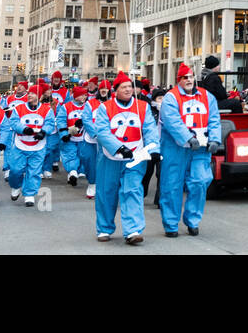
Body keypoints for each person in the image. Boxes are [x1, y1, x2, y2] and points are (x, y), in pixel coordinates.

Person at [92, 71, 159, 244]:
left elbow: (150, 130)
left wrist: (153, 149)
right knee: (106, 193)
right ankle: (104, 228)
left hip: (135, 158)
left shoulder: (142, 107)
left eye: (130, 86)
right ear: (116, 90)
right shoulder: (105, 107)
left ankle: (133, 230)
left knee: (133, 191)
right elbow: (102, 132)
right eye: (124, 87)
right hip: (110, 158)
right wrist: (119, 148)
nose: (128, 90)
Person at [158, 62, 223, 237]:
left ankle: (193, 220)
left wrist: (215, 139)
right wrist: (187, 138)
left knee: (200, 182)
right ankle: (171, 224)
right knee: (172, 186)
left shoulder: (206, 96)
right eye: (185, 77)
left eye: (191, 77)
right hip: (175, 150)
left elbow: (214, 118)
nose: (188, 80)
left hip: (200, 150)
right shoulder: (171, 98)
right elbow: (172, 121)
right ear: (178, 80)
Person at [3, 80, 53, 205]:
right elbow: (13, 122)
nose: (29, 95)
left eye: (32, 93)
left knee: (34, 171)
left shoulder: (47, 109)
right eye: (29, 93)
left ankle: (29, 194)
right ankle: (16, 186)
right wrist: (23, 128)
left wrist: (44, 132)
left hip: (38, 146)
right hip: (20, 145)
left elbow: (50, 123)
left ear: (39, 96)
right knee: (15, 170)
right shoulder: (19, 108)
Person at [59, 84, 92, 186]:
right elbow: (61, 121)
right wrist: (64, 134)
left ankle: (77, 171)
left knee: (83, 155)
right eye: (82, 95)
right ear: (75, 96)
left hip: (84, 137)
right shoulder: (66, 107)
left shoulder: (88, 106)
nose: (84, 97)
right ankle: (73, 172)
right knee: (71, 155)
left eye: (85, 95)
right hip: (70, 136)